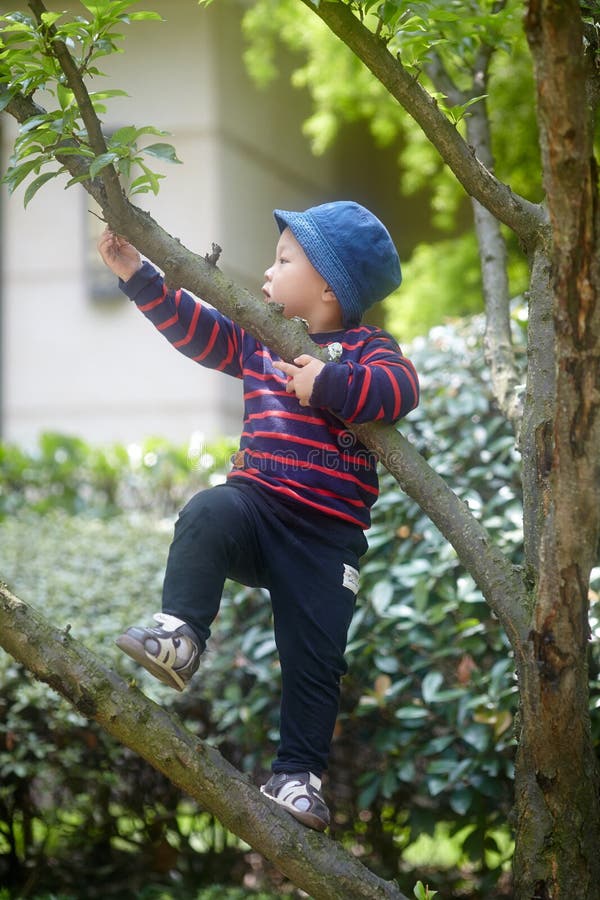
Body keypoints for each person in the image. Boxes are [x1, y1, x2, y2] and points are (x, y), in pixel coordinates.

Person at [97, 200, 419, 832]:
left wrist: (327, 383)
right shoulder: (258, 334)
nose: (268, 274)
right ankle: (181, 634)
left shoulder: (366, 348)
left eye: (283, 260)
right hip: (258, 509)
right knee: (207, 510)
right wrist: (138, 277)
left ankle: (298, 778)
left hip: (326, 543)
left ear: (329, 285)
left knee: (315, 660)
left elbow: (399, 391)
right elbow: (199, 330)